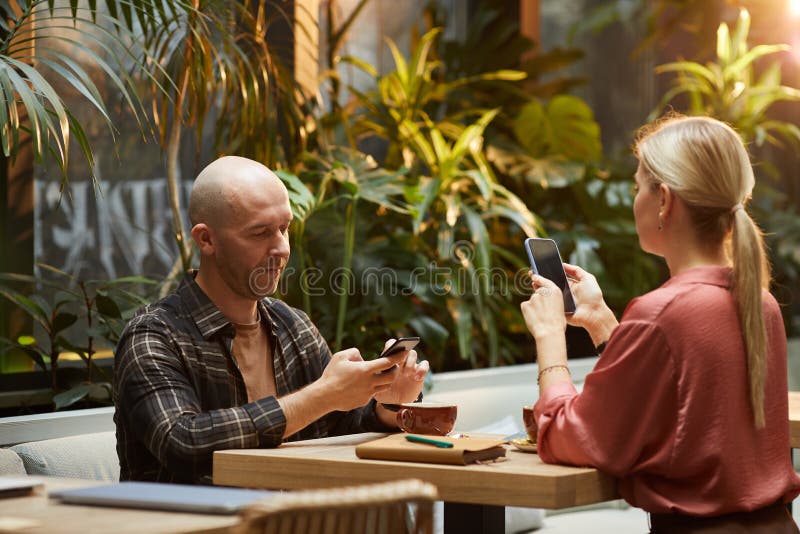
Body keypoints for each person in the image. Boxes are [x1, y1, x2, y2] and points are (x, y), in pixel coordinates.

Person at [520, 115, 800, 532]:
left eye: (638, 188)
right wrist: (602, 324)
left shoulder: (663, 314)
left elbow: (571, 438)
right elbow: (680, 396)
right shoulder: (758, 304)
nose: (635, 199)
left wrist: (548, 337)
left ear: (664, 200)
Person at [114, 156, 428, 484]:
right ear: (207, 240)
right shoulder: (153, 337)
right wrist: (322, 395)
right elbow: (184, 443)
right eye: (260, 233)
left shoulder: (293, 326)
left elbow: (343, 425)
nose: (281, 248)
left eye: (284, 228)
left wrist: (387, 405)